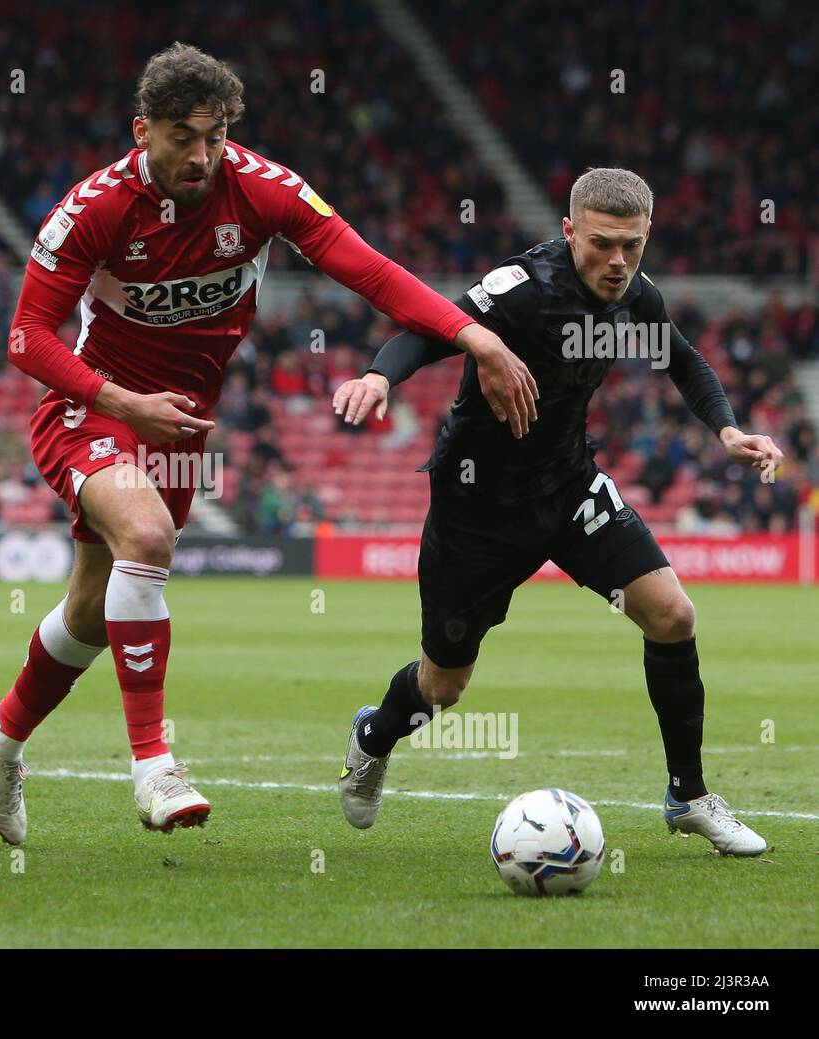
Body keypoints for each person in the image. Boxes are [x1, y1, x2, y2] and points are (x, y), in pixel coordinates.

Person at [0, 42, 534, 844]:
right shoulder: (92, 208)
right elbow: (25, 339)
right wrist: (123, 400)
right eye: (183, 137)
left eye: (215, 135)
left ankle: (0, 736)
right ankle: (155, 765)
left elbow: (369, 271)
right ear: (142, 131)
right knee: (148, 536)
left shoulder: (262, 190)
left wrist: (473, 335)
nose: (202, 155)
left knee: (93, 608)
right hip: (93, 405)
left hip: (183, 423)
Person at [331, 168, 783, 855]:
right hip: (475, 507)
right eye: (602, 243)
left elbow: (685, 361)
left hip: (569, 488)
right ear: (569, 230)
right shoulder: (522, 290)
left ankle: (688, 795)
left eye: (631, 245)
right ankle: (374, 736)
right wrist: (377, 375)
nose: (617, 261)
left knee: (673, 614)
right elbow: (427, 328)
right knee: (443, 684)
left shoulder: (638, 296)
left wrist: (726, 429)